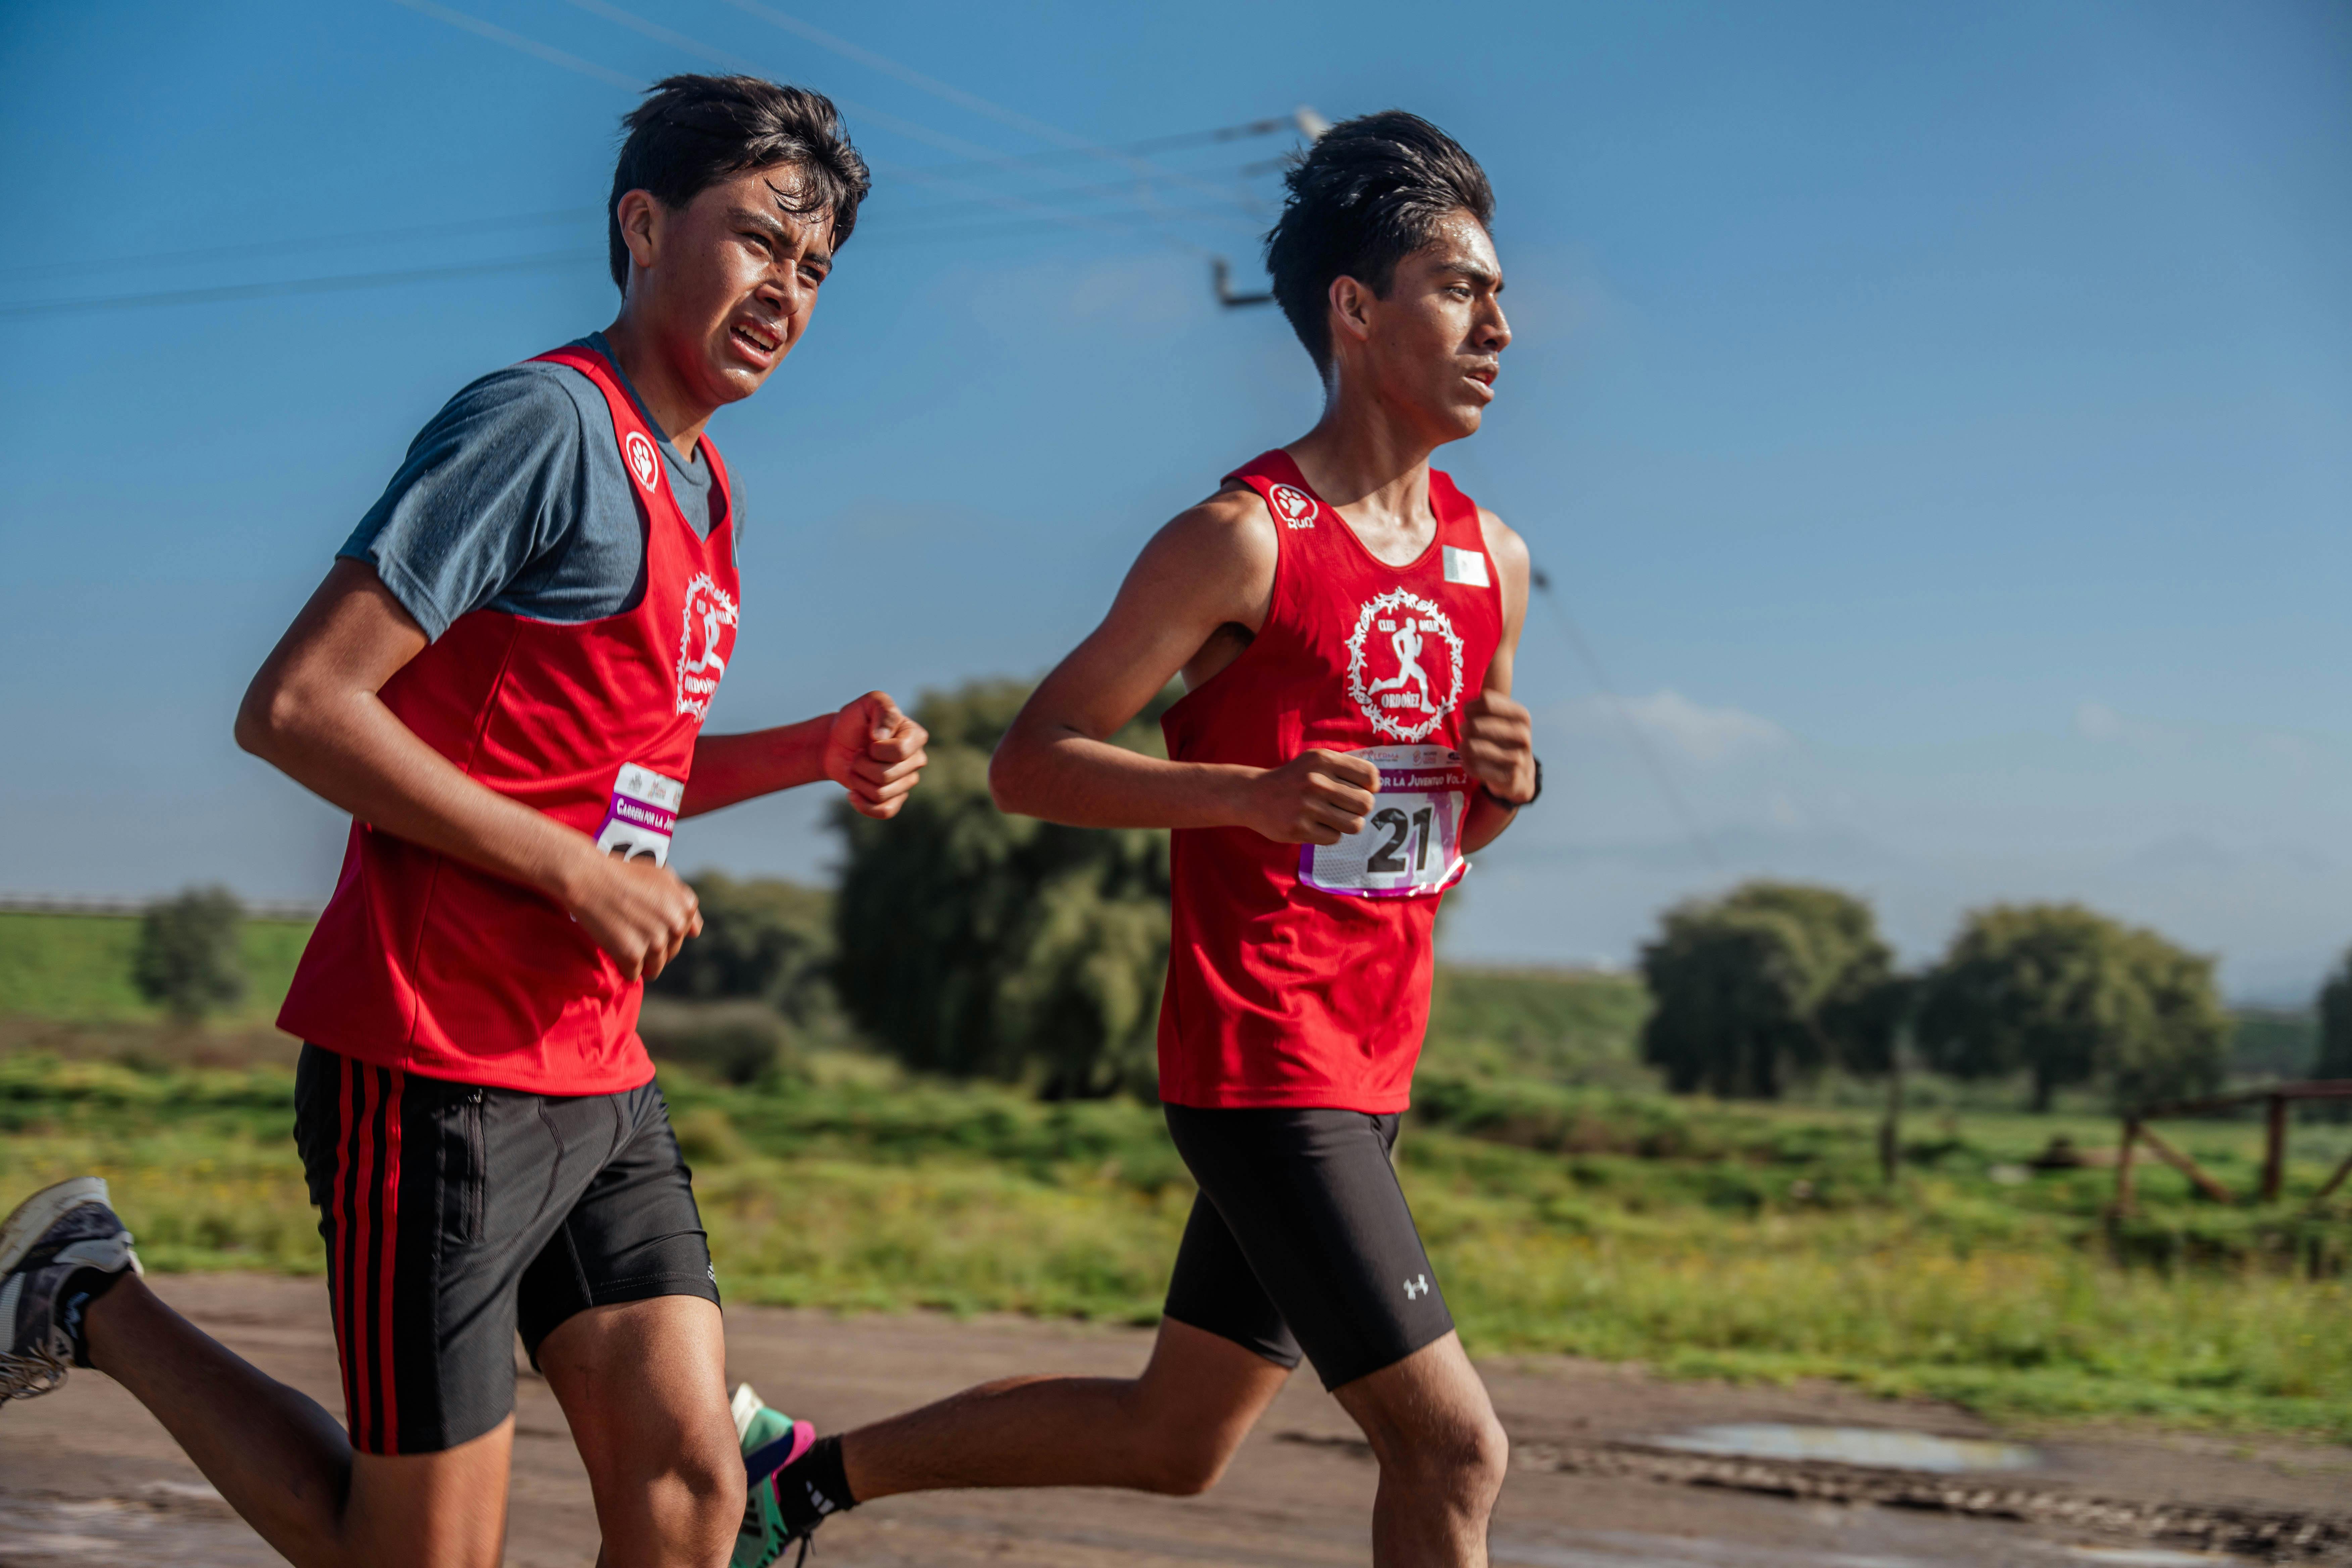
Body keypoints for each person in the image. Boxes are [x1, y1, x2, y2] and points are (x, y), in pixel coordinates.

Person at [0, 73, 925, 1568]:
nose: (788, 291)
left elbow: (615, 770)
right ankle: (86, 1294)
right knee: (416, 1554)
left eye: (815, 269)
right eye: (759, 241)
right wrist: (572, 873)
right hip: (434, 1070)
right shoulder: (544, 424)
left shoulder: (706, 487)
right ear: (641, 225)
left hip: (591, 1067)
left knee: (694, 1496)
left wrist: (812, 752)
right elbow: (300, 703)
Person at [733, 108, 1540, 1568]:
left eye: (1500, 290)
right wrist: (1241, 793)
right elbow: (1032, 764)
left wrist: (1504, 786)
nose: (1504, 321)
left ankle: (792, 1477)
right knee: (1454, 1445)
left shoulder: (1498, 562)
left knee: (1178, 1438)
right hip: (1263, 1056)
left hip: (1376, 1060)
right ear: (1356, 311)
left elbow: (1428, 843)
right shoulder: (1244, 539)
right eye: (1464, 287)